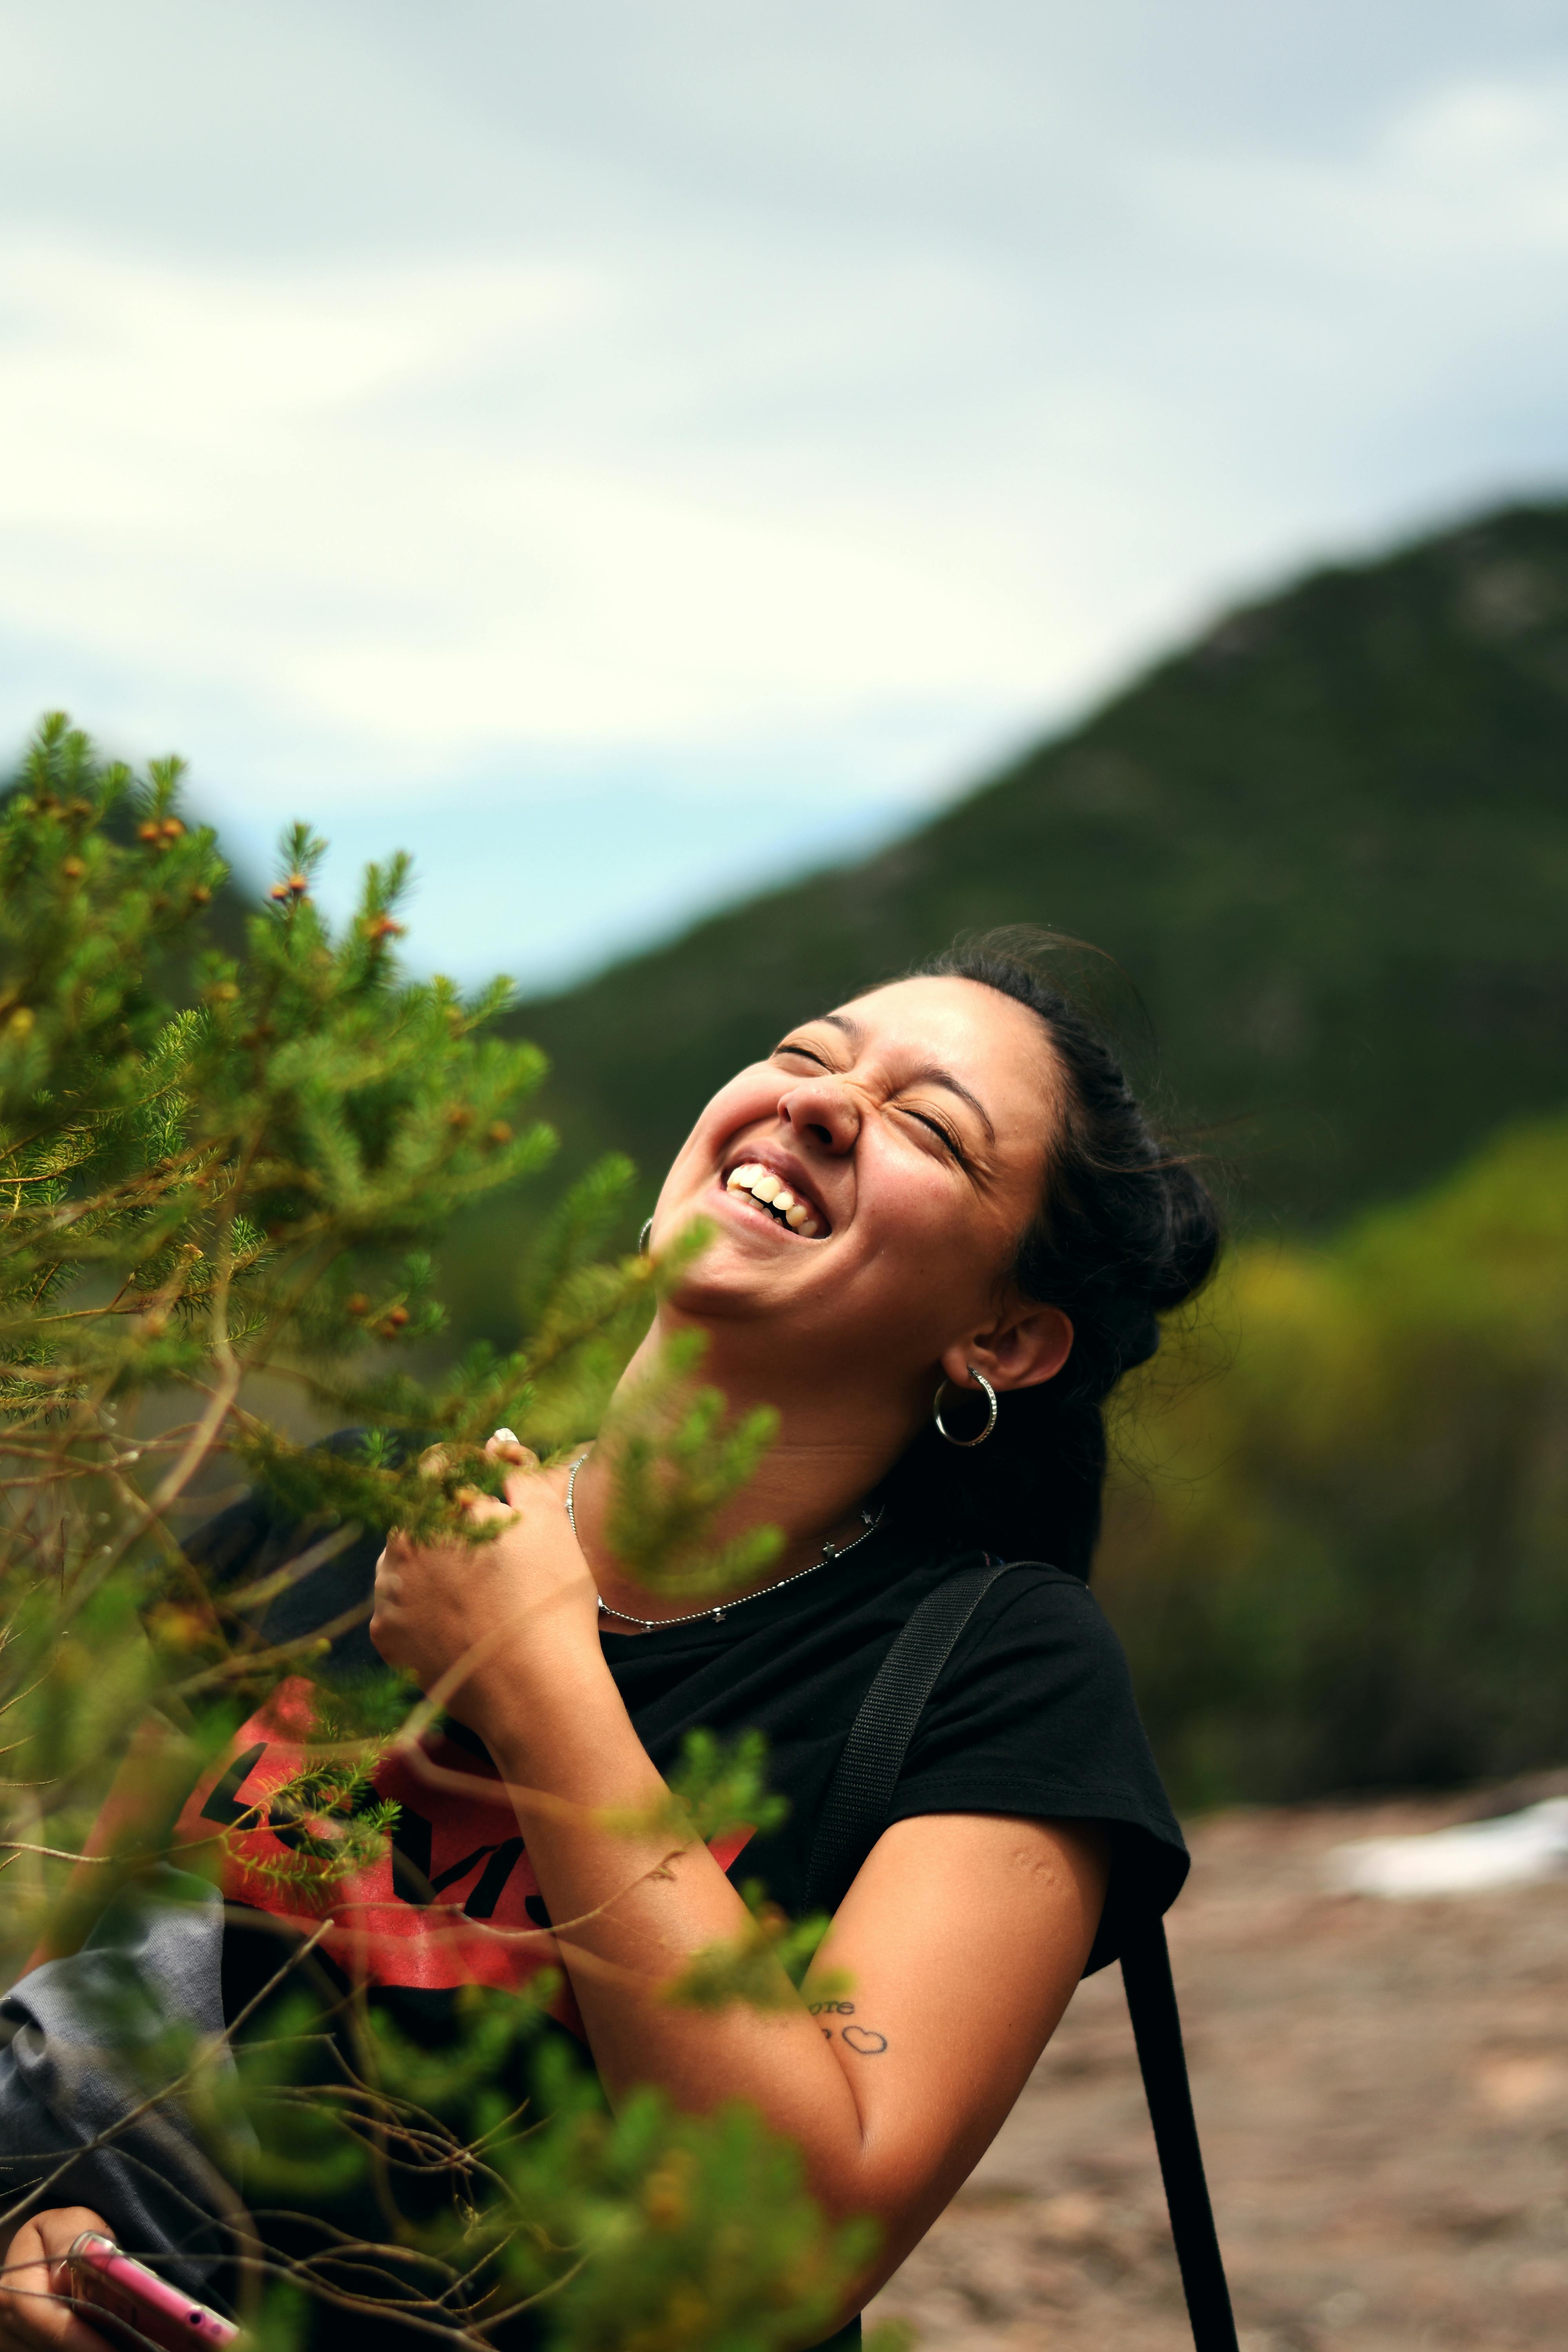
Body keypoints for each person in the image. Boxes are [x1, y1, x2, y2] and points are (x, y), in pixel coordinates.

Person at [0, 931, 1219, 2349]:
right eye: (809, 1056)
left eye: (928, 1127)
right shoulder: (338, 1514)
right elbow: (72, 1981)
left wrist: (538, 1675)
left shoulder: (1001, 1676)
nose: (820, 1105)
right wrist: (38, 2218)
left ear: (1003, 1340)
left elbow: (788, 2261)